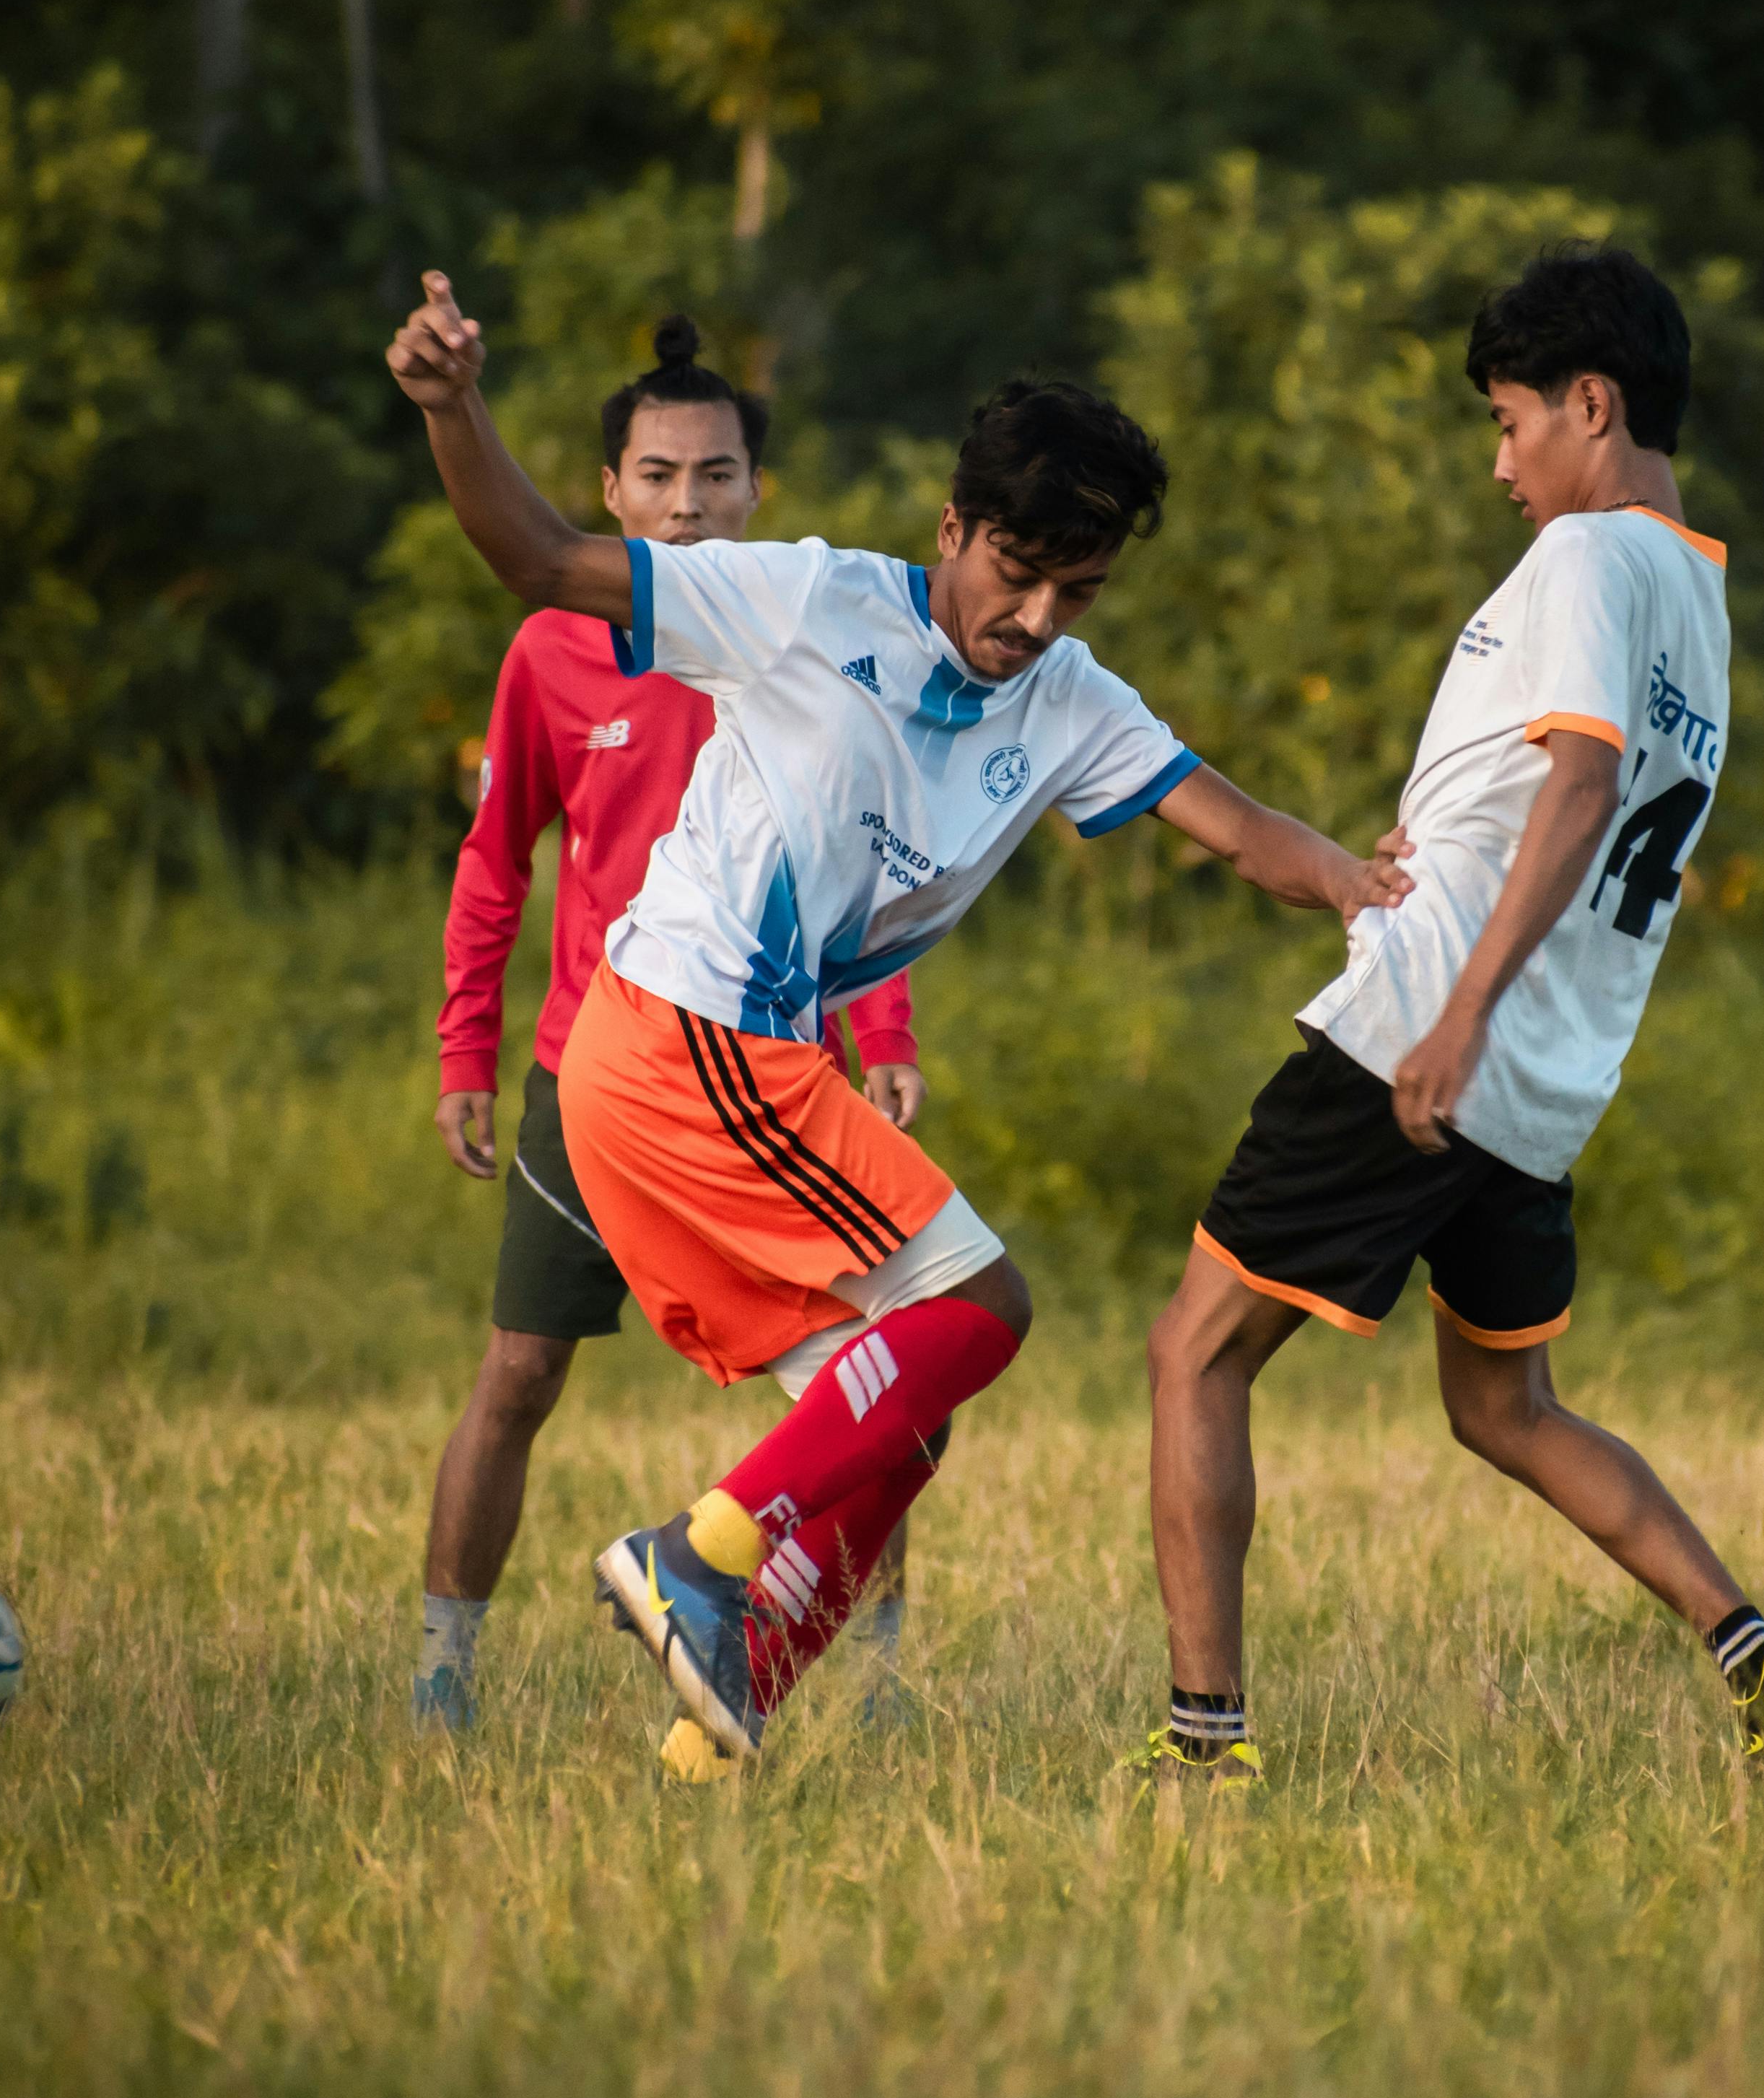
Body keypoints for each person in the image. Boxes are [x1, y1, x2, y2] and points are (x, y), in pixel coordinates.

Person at [383, 267, 1400, 1767]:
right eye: (1015, 572)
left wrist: (1367, 891)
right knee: (982, 1307)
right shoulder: (802, 601)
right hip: (679, 1036)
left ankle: (721, 1704)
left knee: (898, 1423)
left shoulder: (1072, 700)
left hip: (744, 1063)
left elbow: (1243, 831)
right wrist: (451, 405)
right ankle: (698, 1554)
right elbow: (536, 554)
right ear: (950, 531)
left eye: (1078, 591)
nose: (1036, 616)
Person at [1143, 242, 1764, 1788]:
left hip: (1427, 1027)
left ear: (1589, 406)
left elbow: (1582, 782)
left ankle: (1206, 1748)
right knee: (1503, 1402)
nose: (1498, 463)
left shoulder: (1589, 560)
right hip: (1549, 1081)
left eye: (1510, 421)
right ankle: (1761, 1657)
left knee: (1193, 1355)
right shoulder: (1699, 597)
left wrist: (1456, 1013)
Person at [415, 318, 924, 1734]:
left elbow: (871, 859)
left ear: (760, 491)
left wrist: (882, 1035)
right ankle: (440, 1675)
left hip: (771, 1078)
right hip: (593, 1078)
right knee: (517, 1375)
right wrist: (467, 1046)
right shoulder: (552, 654)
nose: (687, 504)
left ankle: (873, 1677)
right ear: (609, 489)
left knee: (872, 1371)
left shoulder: (808, 654)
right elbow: (494, 856)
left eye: (714, 476)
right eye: (657, 476)